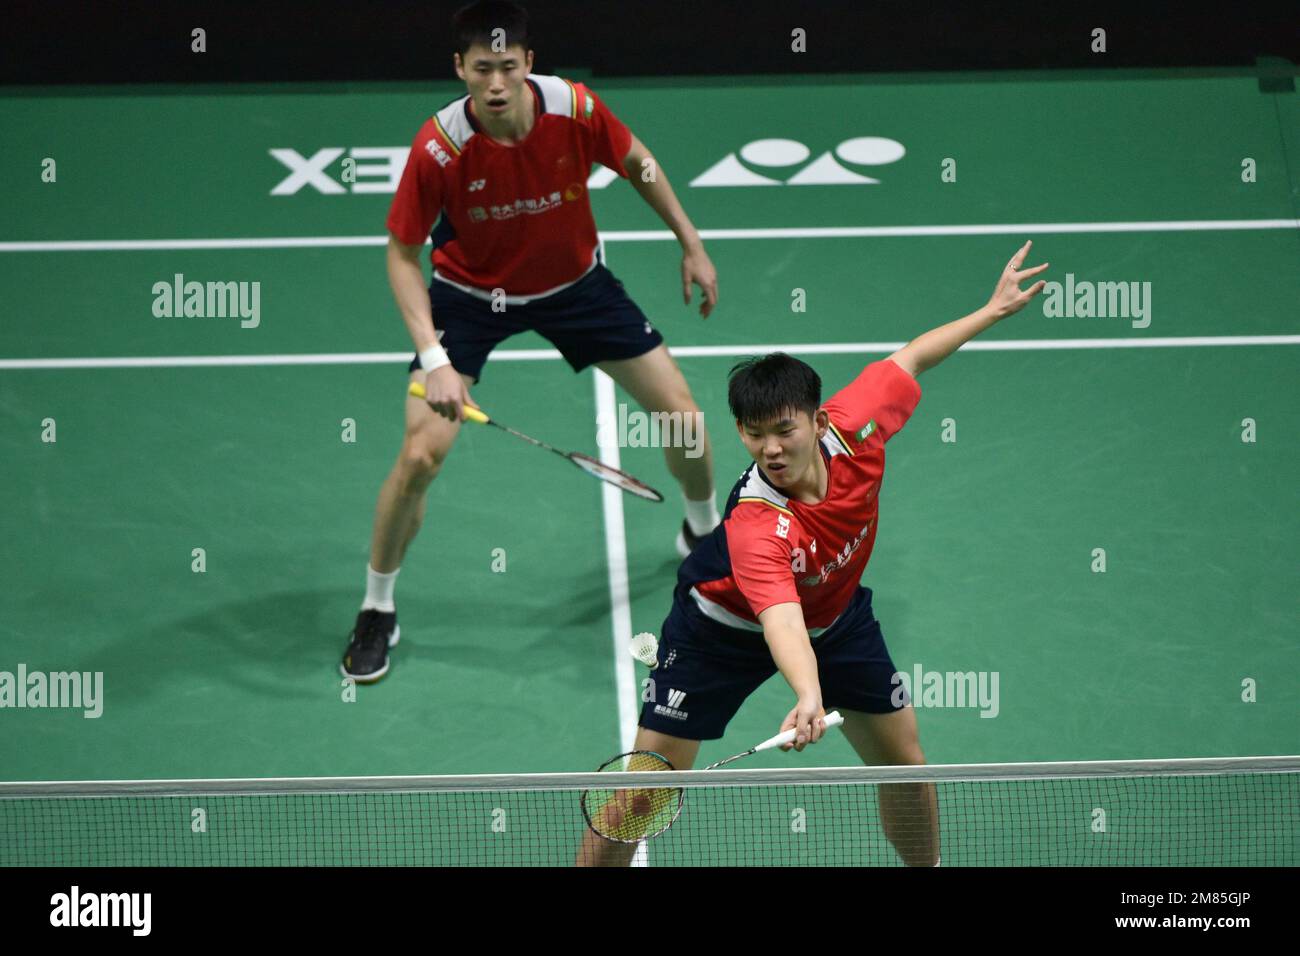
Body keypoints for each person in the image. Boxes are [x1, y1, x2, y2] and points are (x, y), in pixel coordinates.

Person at [577, 242, 1049, 866]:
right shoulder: (756, 524)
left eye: (784, 429)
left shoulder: (857, 428)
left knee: (906, 767)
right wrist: (807, 692)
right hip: (718, 628)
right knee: (646, 785)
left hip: (835, 615)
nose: (769, 448)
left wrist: (989, 312)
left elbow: (910, 357)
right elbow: (779, 618)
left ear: (819, 422)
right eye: (753, 433)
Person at [342, 0, 721, 682]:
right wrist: (436, 362)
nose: (494, 83)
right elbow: (402, 255)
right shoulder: (440, 148)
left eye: (507, 67)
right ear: (459, 67)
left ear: (528, 64)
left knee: (685, 419)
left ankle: (700, 527)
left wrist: (689, 242)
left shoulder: (574, 110)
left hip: (577, 288)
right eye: (481, 68)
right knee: (421, 456)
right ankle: (377, 606)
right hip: (466, 301)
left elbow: (638, 162)